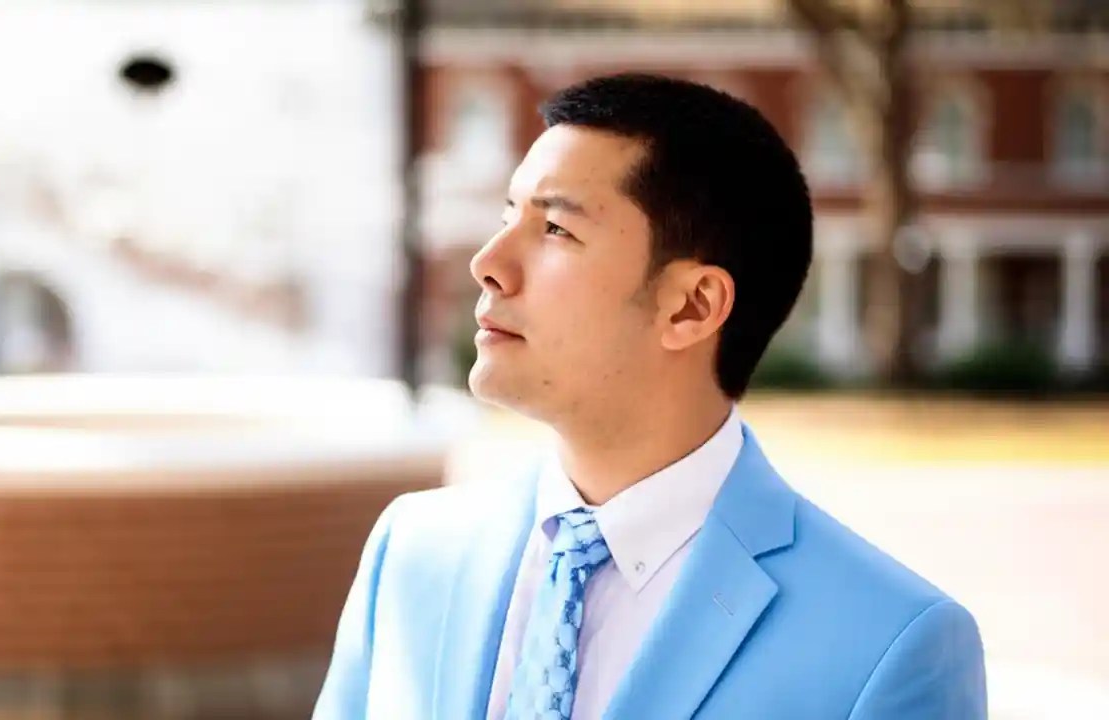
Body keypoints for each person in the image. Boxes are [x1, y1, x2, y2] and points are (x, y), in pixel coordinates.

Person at [313, 73, 987, 720]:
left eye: (556, 229)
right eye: (508, 214)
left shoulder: (889, 644)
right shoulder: (412, 553)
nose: (487, 261)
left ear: (692, 306)